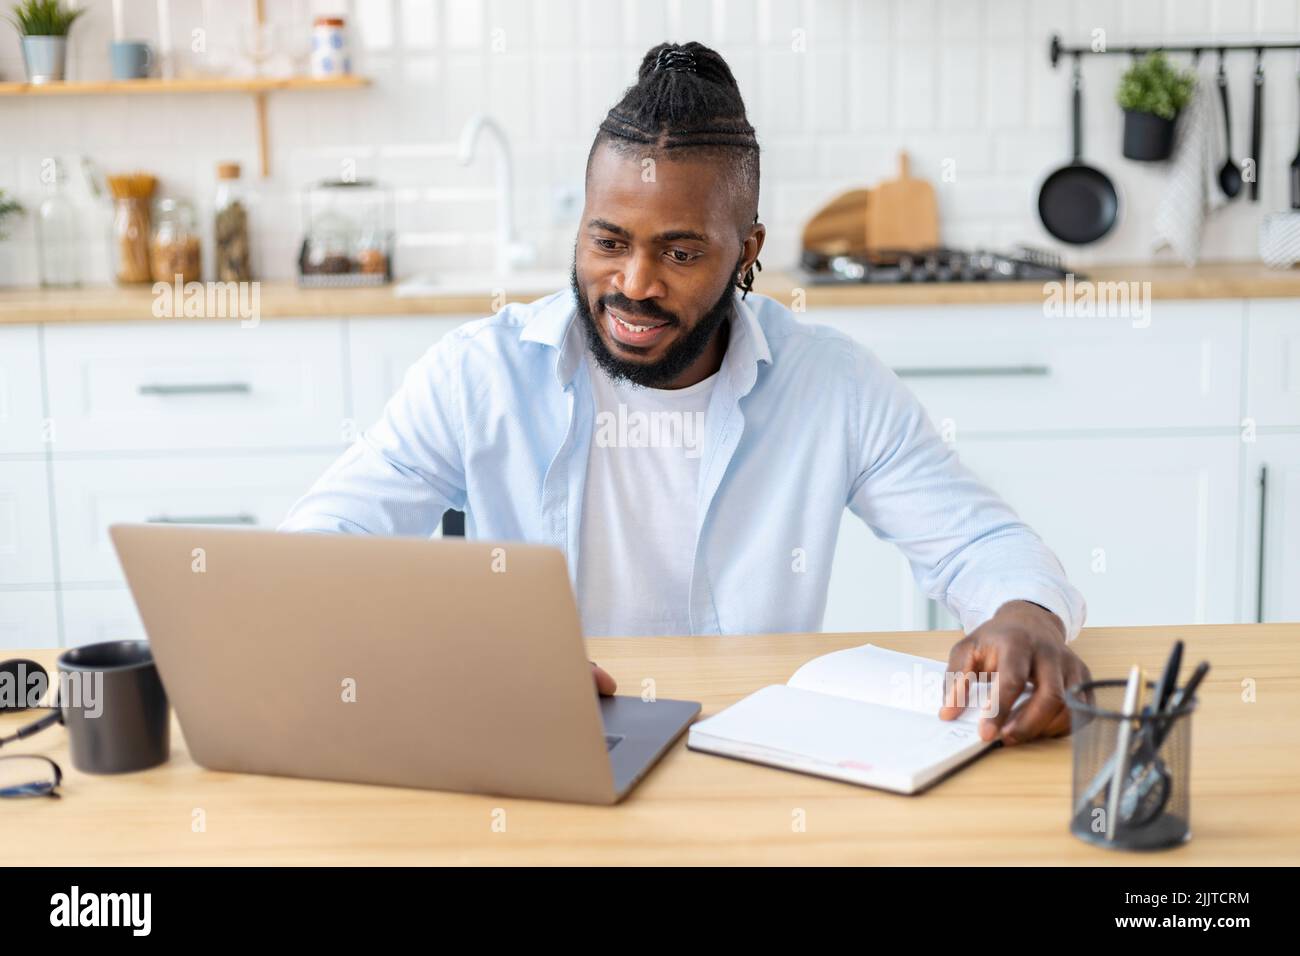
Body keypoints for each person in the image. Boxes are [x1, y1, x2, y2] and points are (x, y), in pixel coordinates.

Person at [280, 42, 1090, 745]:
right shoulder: (478, 375)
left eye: (680, 252)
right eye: (608, 241)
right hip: (545, 747)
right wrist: (435, 650)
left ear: (747, 251)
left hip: (753, 750)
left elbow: (984, 548)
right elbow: (321, 544)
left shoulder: (831, 385)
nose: (633, 284)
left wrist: (1024, 615)